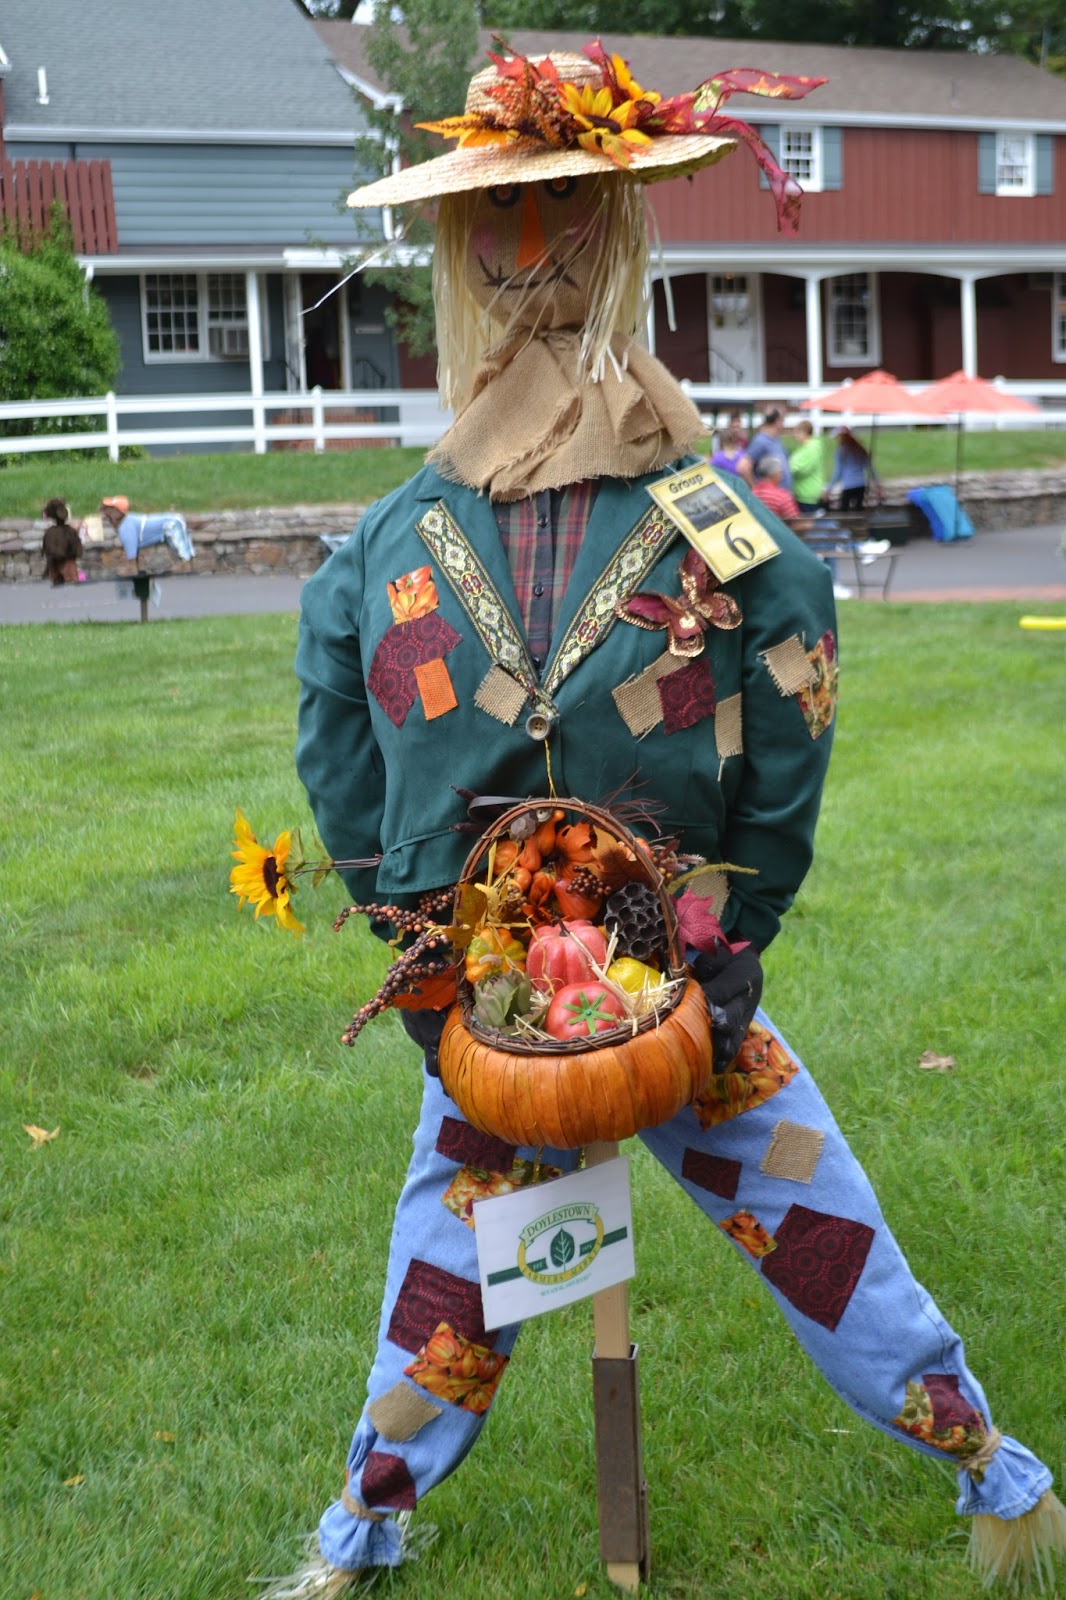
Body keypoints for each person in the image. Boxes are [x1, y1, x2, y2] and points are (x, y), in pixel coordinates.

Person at [275, 41, 1061, 1597]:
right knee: (453, 1274)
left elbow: (793, 659)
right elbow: (340, 749)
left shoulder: (692, 512)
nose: (536, 262)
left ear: (615, 232)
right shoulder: (397, 543)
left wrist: (729, 925)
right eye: (510, 229)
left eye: (569, 222)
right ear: (468, 251)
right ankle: (363, 1526)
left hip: (675, 989)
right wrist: (426, 956)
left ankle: (994, 1476)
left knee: (810, 1217)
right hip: (493, 1009)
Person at [99, 495, 196, 562]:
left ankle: (186, 562)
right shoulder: (127, 521)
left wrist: (131, 569)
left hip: (172, 523)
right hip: (173, 520)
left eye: (108, 508)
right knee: (179, 546)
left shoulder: (126, 527)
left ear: (117, 512)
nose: (104, 510)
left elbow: (132, 554)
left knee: (181, 547)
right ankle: (186, 561)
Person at [827, 426, 881, 510]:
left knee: (844, 511)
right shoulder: (860, 449)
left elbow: (838, 472)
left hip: (849, 485)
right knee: (858, 509)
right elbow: (870, 468)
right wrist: (878, 485)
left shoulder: (841, 451)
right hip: (861, 484)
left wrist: (829, 488)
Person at [737, 407, 791, 490]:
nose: (784, 424)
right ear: (777, 422)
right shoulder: (761, 441)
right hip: (770, 498)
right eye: (782, 420)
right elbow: (743, 467)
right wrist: (755, 489)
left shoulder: (776, 439)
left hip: (782, 496)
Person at [40, 497, 83, 585]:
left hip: (55, 557)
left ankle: (58, 576)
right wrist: (78, 552)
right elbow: (76, 544)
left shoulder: (50, 532)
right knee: (68, 564)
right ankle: (68, 576)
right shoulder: (70, 530)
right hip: (67, 557)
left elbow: (46, 546)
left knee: (60, 564)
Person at [788, 419, 827, 513]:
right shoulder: (803, 447)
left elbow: (804, 469)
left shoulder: (811, 449)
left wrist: (788, 469)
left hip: (807, 494)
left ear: (805, 432)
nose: (795, 436)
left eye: (797, 433)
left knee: (808, 523)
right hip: (803, 492)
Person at [752, 455, 801, 521]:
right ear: (774, 474)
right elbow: (795, 522)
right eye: (780, 472)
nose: (781, 474)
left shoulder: (752, 493)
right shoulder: (782, 497)